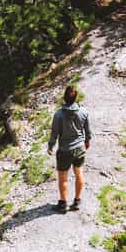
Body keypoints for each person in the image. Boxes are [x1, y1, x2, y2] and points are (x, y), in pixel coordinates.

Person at [47, 83, 91, 213]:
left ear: (64, 98)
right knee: (79, 173)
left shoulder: (59, 114)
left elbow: (54, 132)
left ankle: (63, 204)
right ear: (76, 97)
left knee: (63, 177)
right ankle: (77, 201)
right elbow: (88, 130)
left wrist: (50, 146)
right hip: (79, 147)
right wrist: (87, 141)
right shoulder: (84, 111)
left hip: (65, 150)